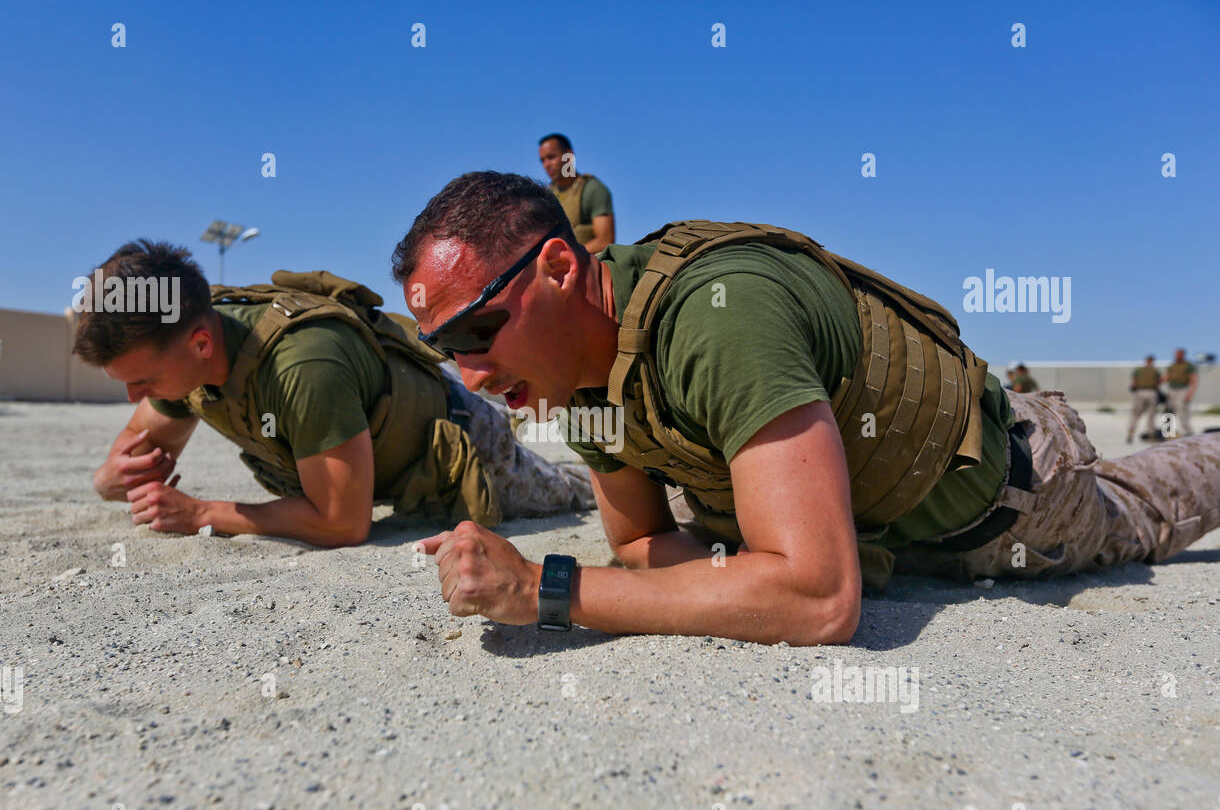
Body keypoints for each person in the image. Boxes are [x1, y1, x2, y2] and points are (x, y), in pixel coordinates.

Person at [392, 171, 1220, 645]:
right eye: (442, 348)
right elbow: (644, 544)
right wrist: (738, 579)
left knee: (1148, 506)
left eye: (480, 328)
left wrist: (546, 585)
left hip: (1010, 503)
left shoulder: (720, 317)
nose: (468, 373)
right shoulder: (575, 372)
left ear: (561, 270)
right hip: (872, 516)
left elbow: (820, 600)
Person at [72, 239, 593, 547]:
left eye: (141, 382)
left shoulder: (302, 365)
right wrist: (106, 480)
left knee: (569, 493)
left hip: (465, 441)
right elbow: (127, 464)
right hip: (391, 471)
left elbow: (343, 523)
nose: (134, 397)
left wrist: (200, 514)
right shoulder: (181, 356)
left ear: (201, 342)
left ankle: (612, 467)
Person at [538, 134, 615, 255]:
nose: (546, 164)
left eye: (551, 157)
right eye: (542, 160)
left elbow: (605, 241)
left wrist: (565, 255)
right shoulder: (546, 196)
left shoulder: (592, 189)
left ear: (568, 157)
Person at [1163, 348, 1198, 436]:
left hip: (1183, 389)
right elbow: (1166, 377)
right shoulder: (1172, 366)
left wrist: (1190, 393)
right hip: (1171, 389)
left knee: (1182, 410)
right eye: (1176, 354)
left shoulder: (1189, 366)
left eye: (1179, 354)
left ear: (1183, 355)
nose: (1176, 356)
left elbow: (1193, 380)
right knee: (1169, 410)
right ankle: (1169, 432)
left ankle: (1187, 432)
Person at [1127, 354, 1161, 443]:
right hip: (1151, 392)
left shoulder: (1139, 370)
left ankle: (1130, 433)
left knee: (1136, 414)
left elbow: (1134, 382)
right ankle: (1151, 435)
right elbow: (1158, 382)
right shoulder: (1155, 371)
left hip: (1140, 392)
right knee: (1151, 415)